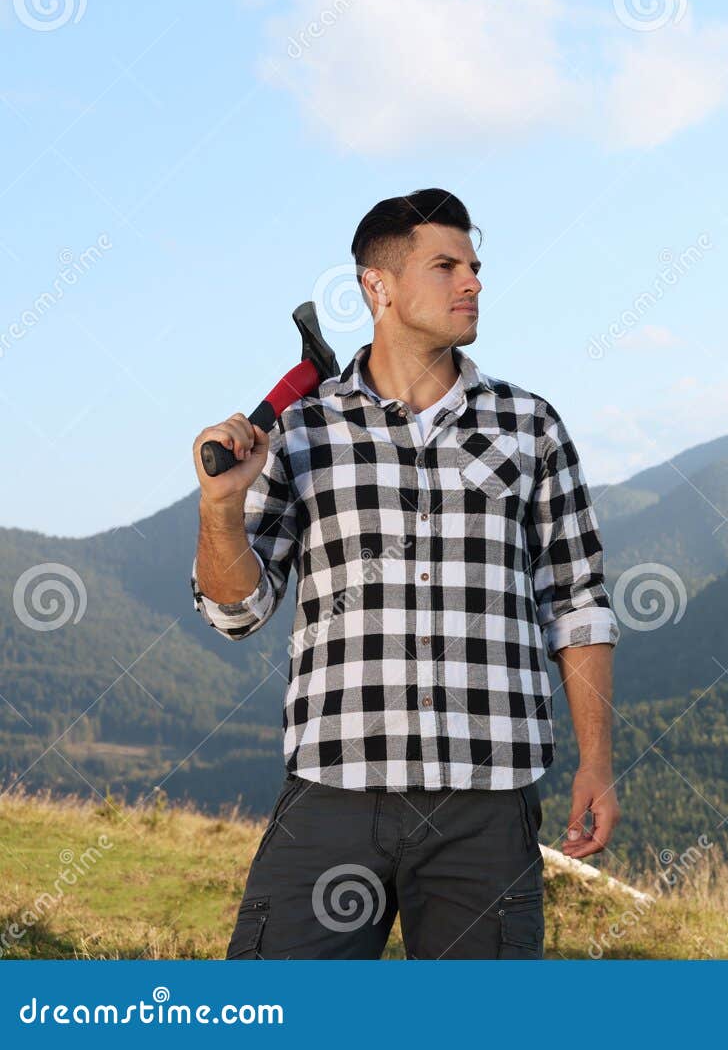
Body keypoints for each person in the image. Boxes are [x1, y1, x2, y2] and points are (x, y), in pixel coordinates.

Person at [189, 188, 620, 959]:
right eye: (446, 264)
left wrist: (597, 761)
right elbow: (236, 610)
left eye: (476, 266)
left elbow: (578, 602)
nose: (473, 282)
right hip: (335, 792)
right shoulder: (300, 429)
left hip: (485, 804)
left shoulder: (530, 426)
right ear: (376, 286)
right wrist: (221, 507)